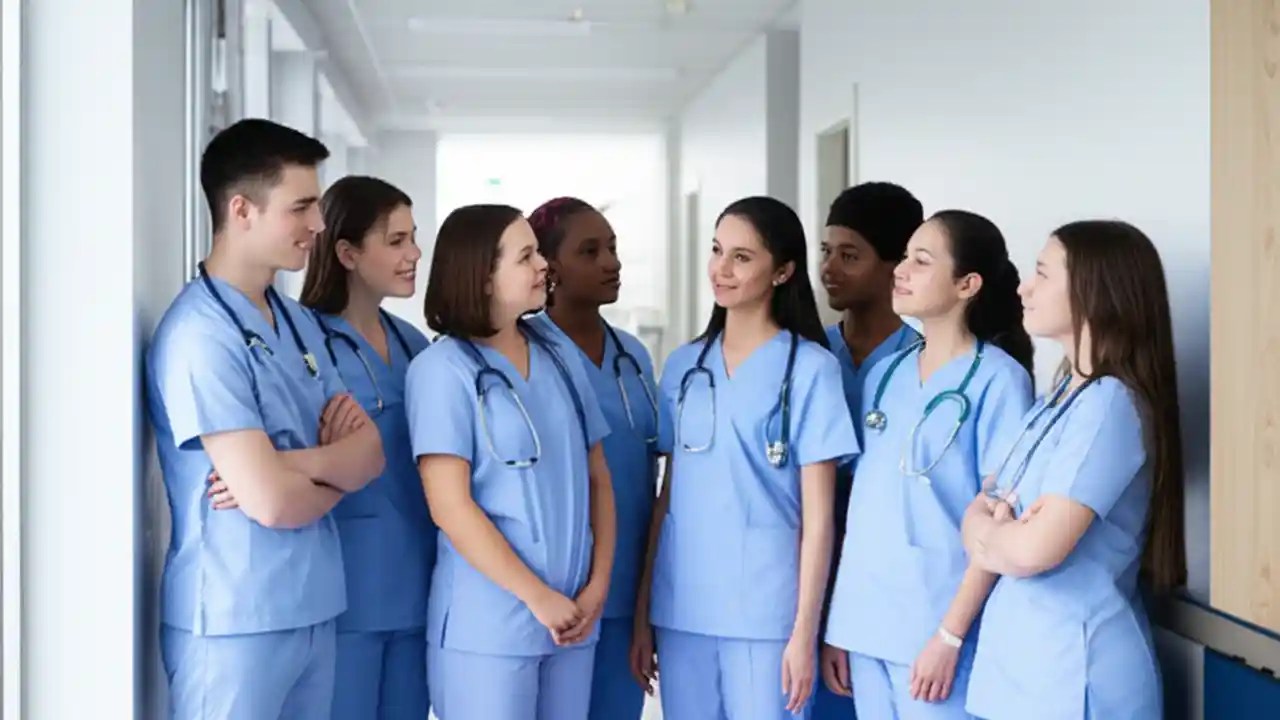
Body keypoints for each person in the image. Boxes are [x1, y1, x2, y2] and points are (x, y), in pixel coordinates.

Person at [146, 118, 385, 718]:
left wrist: (285, 465)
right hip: (233, 620)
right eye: (301, 207)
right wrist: (328, 470)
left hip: (314, 610)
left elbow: (371, 455)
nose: (319, 226)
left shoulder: (299, 323)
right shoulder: (199, 336)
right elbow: (274, 504)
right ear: (242, 210)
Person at [634, 196, 859, 719]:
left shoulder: (811, 370)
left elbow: (820, 519)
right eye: (717, 251)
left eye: (741, 257)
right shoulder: (685, 366)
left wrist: (805, 631)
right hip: (683, 605)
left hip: (768, 613)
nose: (721, 268)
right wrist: (645, 609)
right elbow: (667, 497)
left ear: (782, 271)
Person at [962, 220, 1186, 720]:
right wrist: (997, 531)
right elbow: (982, 507)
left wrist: (994, 533)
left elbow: (1033, 549)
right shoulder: (1061, 396)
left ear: (1094, 291)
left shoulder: (1109, 406)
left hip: (1074, 672)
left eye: (1042, 273)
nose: (1024, 287)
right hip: (1023, 667)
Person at [405, 204, 617, 720]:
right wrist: (538, 598)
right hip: (491, 627)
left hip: (575, 620)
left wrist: (598, 586)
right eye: (526, 256)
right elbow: (450, 508)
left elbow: (598, 476)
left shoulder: (558, 353)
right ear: (482, 276)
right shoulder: (441, 371)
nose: (543, 265)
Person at [822, 209, 1035, 719]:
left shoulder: (998, 381)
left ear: (967, 283)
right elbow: (867, 511)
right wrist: (839, 628)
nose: (901, 271)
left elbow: (1001, 521)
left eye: (921, 261)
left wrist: (950, 635)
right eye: (904, 259)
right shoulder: (884, 374)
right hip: (865, 625)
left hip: (937, 629)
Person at [297, 175, 435, 719]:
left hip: (417, 585)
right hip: (346, 595)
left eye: (413, 238)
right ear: (348, 253)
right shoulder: (305, 343)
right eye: (396, 241)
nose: (414, 254)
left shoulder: (415, 346)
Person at [524, 197, 667, 720]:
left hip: (627, 589)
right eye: (591, 250)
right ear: (551, 268)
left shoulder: (633, 355)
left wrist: (644, 610)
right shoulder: (524, 352)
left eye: (612, 248)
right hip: (558, 592)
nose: (612, 262)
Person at [813, 182, 924, 719]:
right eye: (825, 251)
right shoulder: (812, 355)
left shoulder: (925, 363)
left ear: (894, 266)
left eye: (849, 255)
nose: (830, 268)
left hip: (891, 586)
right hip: (807, 570)